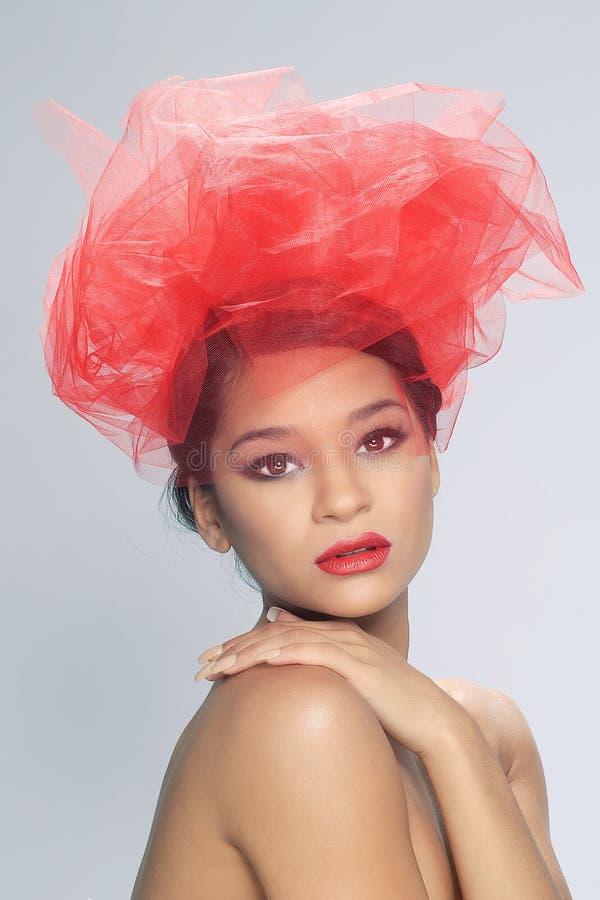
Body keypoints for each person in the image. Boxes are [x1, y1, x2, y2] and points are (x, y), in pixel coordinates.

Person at [34, 67, 583, 898]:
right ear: (209, 512)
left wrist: (443, 730)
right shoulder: (294, 718)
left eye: (377, 439)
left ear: (431, 457)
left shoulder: (482, 732)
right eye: (274, 463)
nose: (341, 498)